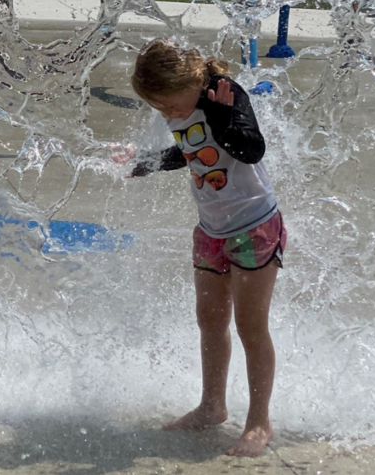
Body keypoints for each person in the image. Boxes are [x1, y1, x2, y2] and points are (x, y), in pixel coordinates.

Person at [114, 39, 286, 457]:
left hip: (255, 226)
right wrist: (146, 163)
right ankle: (212, 405)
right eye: (161, 110)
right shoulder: (182, 102)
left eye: (171, 106)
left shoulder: (224, 95)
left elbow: (252, 148)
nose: (170, 115)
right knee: (209, 319)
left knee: (250, 325)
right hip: (211, 228)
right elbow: (192, 150)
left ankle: (260, 422)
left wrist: (224, 118)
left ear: (190, 81)